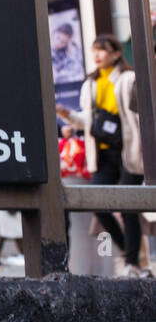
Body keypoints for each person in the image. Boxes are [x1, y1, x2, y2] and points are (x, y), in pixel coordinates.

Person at [57, 33, 150, 277]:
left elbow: (140, 115)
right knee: (98, 202)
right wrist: (68, 116)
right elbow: (88, 120)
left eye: (103, 50)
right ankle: (127, 253)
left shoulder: (129, 79)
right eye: (94, 50)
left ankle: (133, 264)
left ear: (117, 53)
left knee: (129, 207)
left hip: (129, 150)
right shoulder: (90, 84)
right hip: (102, 153)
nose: (97, 55)